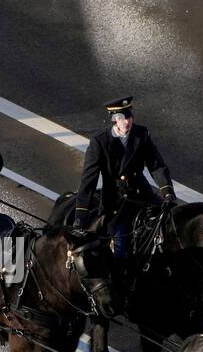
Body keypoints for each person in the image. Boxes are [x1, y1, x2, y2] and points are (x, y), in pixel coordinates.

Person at [73, 96, 176, 259]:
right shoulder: (100, 141)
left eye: (128, 117)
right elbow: (89, 180)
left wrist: (167, 193)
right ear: (114, 120)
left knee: (172, 222)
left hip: (143, 196)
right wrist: (80, 217)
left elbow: (156, 165)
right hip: (117, 203)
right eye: (121, 118)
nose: (126, 122)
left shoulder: (141, 134)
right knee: (121, 249)